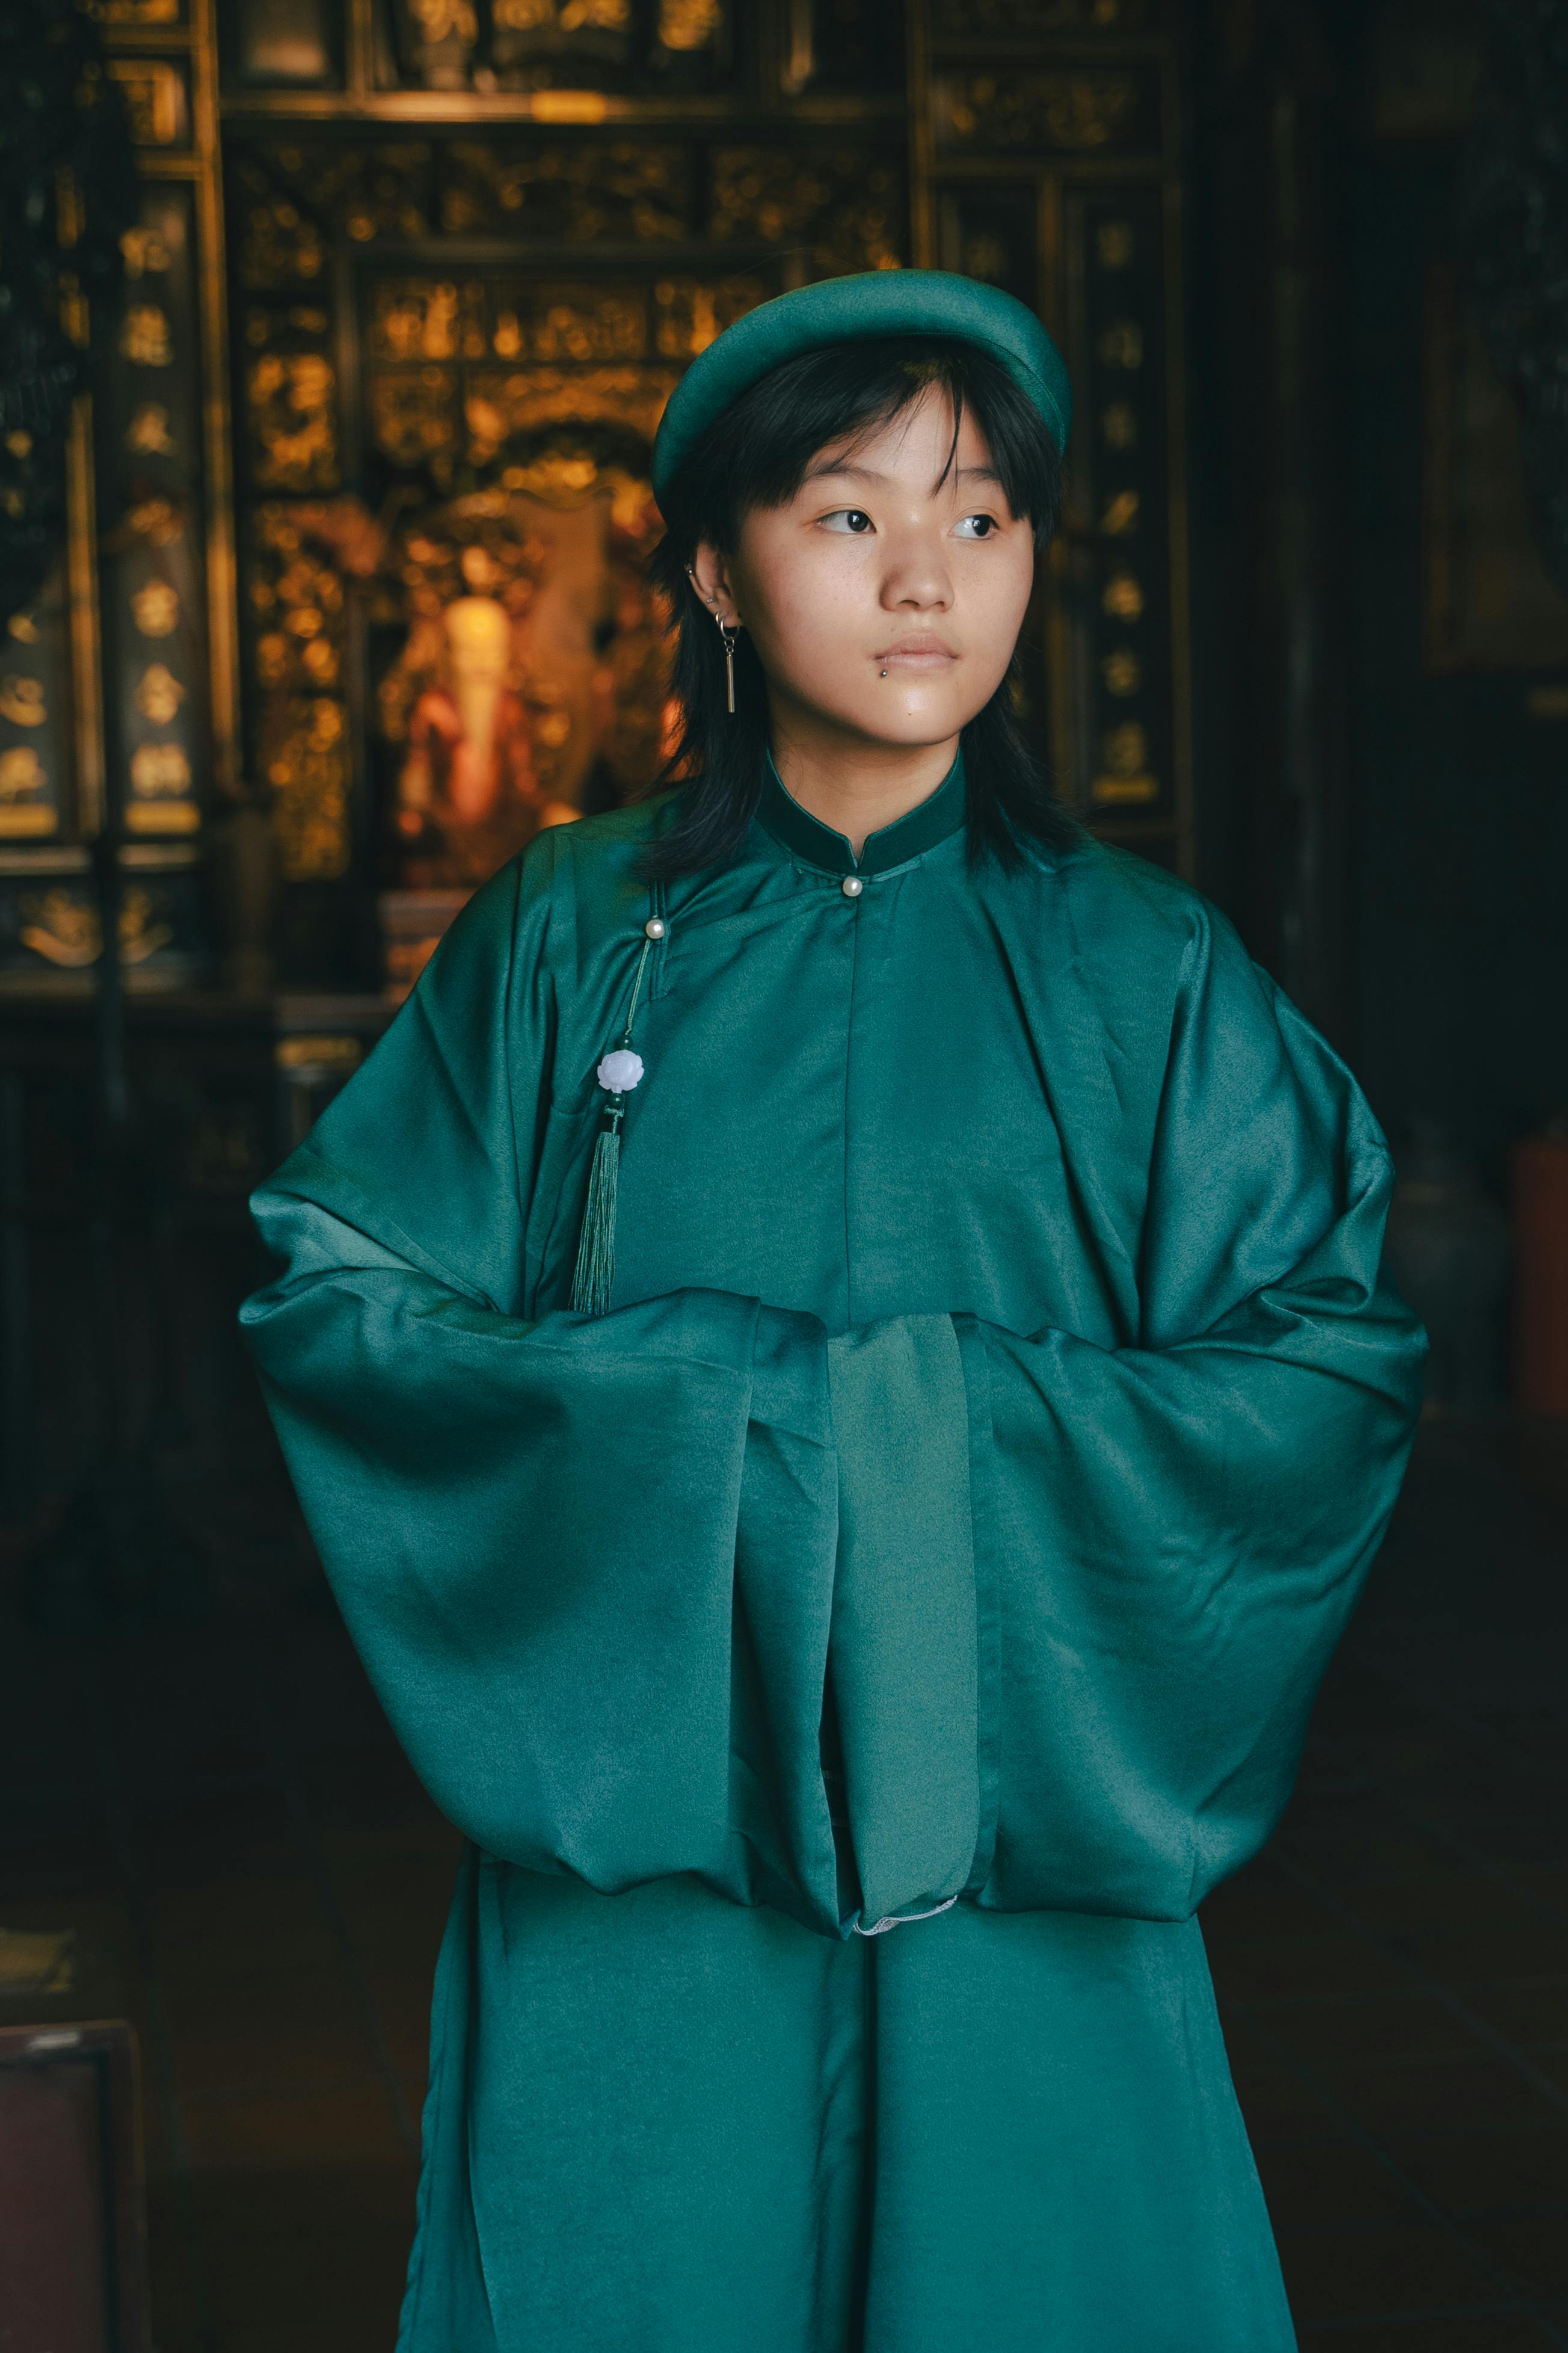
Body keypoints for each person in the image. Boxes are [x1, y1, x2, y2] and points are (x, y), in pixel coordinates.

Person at [240, 271, 1425, 2353]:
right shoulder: (568, 933)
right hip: (660, 1862)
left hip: (1018, 1839)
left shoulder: (1145, 970)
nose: (927, 584)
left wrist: (926, 1446)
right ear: (712, 563)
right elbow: (349, 1287)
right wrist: (712, 1423)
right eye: (848, 515)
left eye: (982, 520)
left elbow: (1320, 1355)